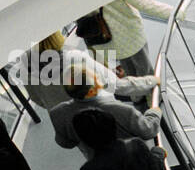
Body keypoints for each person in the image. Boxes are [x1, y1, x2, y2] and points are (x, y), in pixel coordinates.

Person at [12, 30, 157, 110]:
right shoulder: (74, 59)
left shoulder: (25, 68)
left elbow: (39, 100)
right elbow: (117, 86)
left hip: (74, 122)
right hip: (103, 110)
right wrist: (152, 81)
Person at [50, 61, 163, 160]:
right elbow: (148, 130)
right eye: (96, 78)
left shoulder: (58, 113)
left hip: (97, 161)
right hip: (135, 157)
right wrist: (154, 112)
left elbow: (66, 143)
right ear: (91, 91)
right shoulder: (122, 110)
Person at [77, 0, 176, 92]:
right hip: (129, 37)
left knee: (127, 72)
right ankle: (152, 98)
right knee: (144, 70)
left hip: (101, 39)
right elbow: (144, 4)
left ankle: (137, 99)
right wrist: (177, 12)